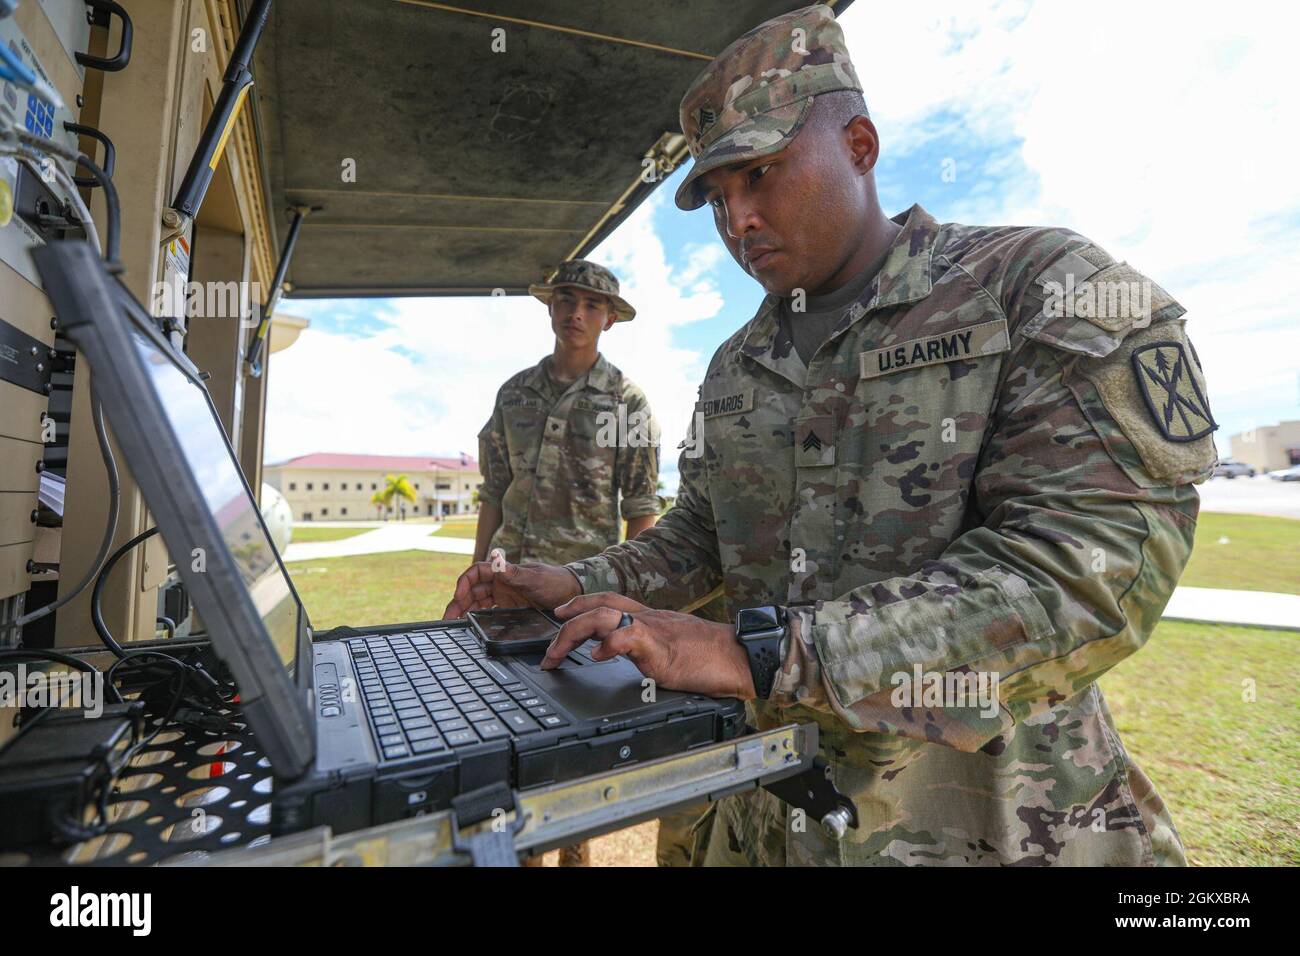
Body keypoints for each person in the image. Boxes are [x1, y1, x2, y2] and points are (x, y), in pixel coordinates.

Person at [447, 4, 1215, 866]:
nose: (737, 220)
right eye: (718, 196)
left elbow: (1093, 569)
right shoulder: (738, 364)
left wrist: (771, 654)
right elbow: (704, 536)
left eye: (763, 173)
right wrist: (576, 581)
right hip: (772, 816)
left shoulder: (1037, 290)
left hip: (983, 824)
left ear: (859, 145)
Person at [471, 258, 662, 865]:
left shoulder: (626, 403)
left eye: (590, 304)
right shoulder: (513, 394)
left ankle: (575, 850)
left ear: (610, 319)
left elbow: (641, 514)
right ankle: (525, 850)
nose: (575, 313)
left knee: (576, 737)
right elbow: (492, 494)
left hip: (582, 596)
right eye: (565, 300)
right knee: (512, 729)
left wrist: (633, 610)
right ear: (550, 308)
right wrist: (476, 578)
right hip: (509, 597)